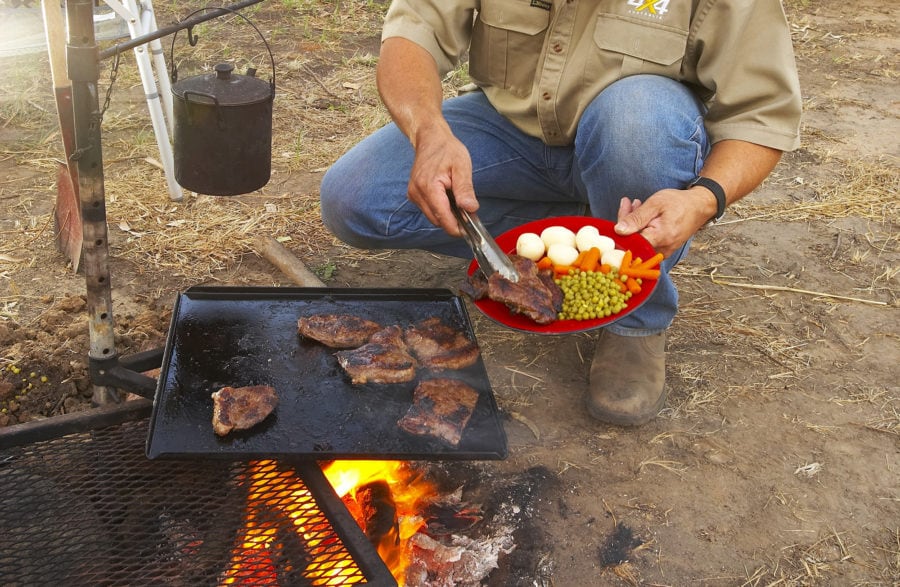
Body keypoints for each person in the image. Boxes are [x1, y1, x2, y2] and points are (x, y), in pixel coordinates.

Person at [319, 0, 802, 426]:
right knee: (355, 199)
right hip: (511, 130)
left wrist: (703, 199)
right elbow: (413, 31)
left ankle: (636, 322)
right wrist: (430, 134)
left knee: (638, 120)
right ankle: (581, 233)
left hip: (635, 137)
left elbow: (762, 114)